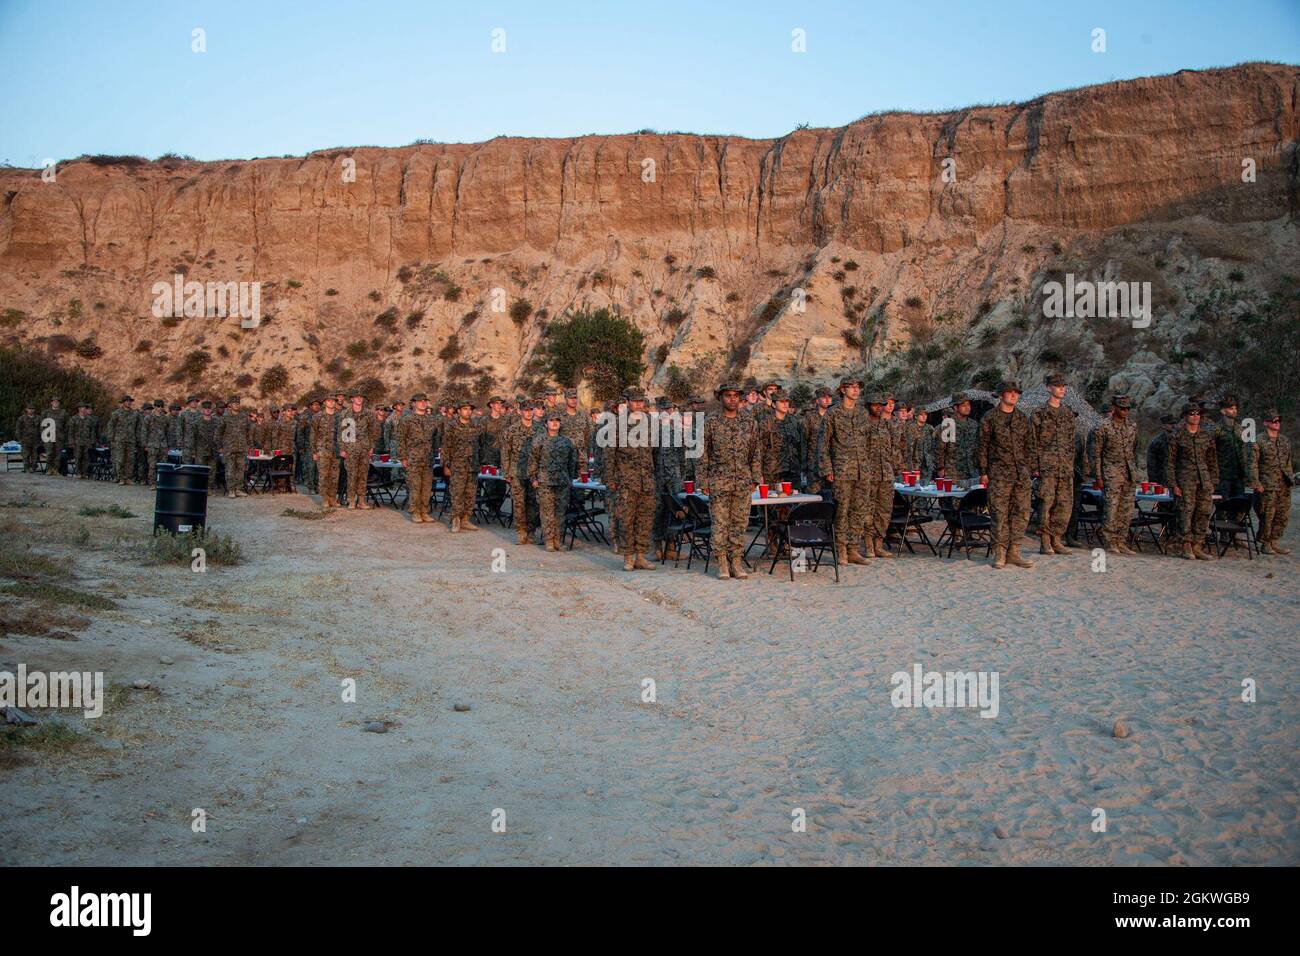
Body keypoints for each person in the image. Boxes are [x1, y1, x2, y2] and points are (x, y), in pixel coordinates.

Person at [700, 383, 761, 579]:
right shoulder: (711, 422)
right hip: (718, 480)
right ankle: (722, 563)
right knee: (720, 524)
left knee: (740, 523)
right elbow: (702, 454)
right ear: (721, 398)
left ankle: (736, 562)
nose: (732, 399)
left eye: (736, 396)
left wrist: (755, 477)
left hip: (742, 480)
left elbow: (755, 452)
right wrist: (703, 481)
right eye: (728, 395)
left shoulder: (749, 422)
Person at [977, 381, 1037, 569]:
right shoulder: (990, 417)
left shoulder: (1022, 418)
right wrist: (984, 471)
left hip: (1020, 474)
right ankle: (1000, 552)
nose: (1013, 396)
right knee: (999, 513)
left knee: (1021, 512)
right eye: (1009, 392)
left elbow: (1030, 445)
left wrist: (1029, 467)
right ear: (1001, 395)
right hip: (999, 473)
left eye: (1016, 393)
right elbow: (982, 446)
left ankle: (1014, 551)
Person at [818, 377, 871, 567]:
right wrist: (827, 469)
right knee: (842, 510)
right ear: (842, 390)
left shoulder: (862, 413)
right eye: (852, 387)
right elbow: (822, 445)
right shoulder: (833, 414)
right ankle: (840, 549)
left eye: (858, 387)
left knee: (859, 510)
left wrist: (868, 466)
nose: (856, 390)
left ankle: (853, 549)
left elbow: (869, 442)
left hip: (862, 470)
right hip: (841, 470)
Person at [606, 386, 659, 572]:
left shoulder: (651, 423)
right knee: (626, 520)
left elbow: (657, 453)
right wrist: (610, 479)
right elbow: (609, 454)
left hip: (647, 480)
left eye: (640, 401)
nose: (638, 404)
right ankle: (628, 557)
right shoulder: (616, 424)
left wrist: (656, 476)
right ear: (627, 402)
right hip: (626, 481)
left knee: (645, 519)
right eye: (634, 401)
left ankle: (641, 557)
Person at [1030, 373, 1077, 555]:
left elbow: (1072, 443)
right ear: (1048, 388)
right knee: (1046, 506)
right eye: (1058, 386)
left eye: (1063, 385)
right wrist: (1035, 468)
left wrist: (1071, 465)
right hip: (1046, 468)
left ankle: (1057, 539)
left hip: (1065, 468)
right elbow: (1032, 442)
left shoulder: (1067, 413)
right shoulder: (1039, 413)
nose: (1062, 388)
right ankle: (1045, 541)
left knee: (1064, 505)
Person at [1166, 402, 1218, 560]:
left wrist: (1214, 480)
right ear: (1185, 416)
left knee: (1203, 511)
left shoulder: (1206, 435)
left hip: (1204, 479)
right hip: (1185, 479)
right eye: (1191, 414)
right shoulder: (1177, 435)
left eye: (1197, 414)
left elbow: (1212, 458)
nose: (1195, 416)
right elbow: (1169, 462)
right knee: (1186, 511)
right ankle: (1186, 545)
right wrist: (1173, 484)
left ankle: (1198, 545)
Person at [1091, 395, 1140, 555]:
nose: (1125, 411)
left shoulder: (1132, 426)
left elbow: (1135, 450)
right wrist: (1098, 476)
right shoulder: (1103, 427)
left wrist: (1136, 470)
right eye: (1122, 408)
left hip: (1129, 472)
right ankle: (1110, 541)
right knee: (1111, 508)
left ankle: (1121, 540)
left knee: (1126, 510)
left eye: (1127, 408)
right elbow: (1096, 453)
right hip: (1111, 471)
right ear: (1114, 407)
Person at [529, 411, 578, 551]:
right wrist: (533, 478)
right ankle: (549, 541)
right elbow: (533, 461)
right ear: (546, 424)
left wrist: (570, 478)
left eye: (557, 420)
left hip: (562, 481)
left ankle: (558, 540)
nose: (555, 423)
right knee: (547, 512)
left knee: (560, 512)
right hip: (545, 481)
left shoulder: (567, 441)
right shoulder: (539, 440)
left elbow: (572, 462)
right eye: (551, 420)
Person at [1247, 409, 1293, 555]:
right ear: (1266, 423)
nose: (1277, 423)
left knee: (1282, 514)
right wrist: (1256, 483)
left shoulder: (1284, 441)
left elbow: (1288, 462)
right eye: (1274, 421)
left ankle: (1274, 541)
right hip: (1267, 484)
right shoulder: (1258, 441)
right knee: (1267, 514)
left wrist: (1290, 478)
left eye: (1278, 421)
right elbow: (1252, 464)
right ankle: (1265, 543)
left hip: (1283, 484)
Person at [863, 392, 900, 559]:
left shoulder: (887, 426)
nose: (879, 407)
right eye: (875, 404)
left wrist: (897, 469)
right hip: (869, 474)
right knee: (868, 510)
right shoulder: (863, 426)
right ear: (868, 405)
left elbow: (895, 449)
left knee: (884, 510)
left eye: (881, 404)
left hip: (886, 474)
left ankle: (879, 544)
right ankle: (869, 545)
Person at [395, 393, 437, 522]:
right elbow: (400, 439)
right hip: (413, 458)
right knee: (414, 486)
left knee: (426, 487)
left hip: (428, 458)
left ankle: (424, 511)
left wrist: (434, 454)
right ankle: (415, 512)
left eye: (425, 401)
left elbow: (435, 439)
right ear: (413, 403)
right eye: (419, 401)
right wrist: (403, 457)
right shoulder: (406, 420)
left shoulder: (431, 419)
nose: (423, 403)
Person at [504, 402, 542, 543]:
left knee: (533, 503)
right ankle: (521, 532)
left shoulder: (540, 429)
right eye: (525, 410)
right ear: (520, 412)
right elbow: (505, 452)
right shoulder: (511, 430)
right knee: (519, 504)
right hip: (516, 471)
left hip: (534, 473)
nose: (528, 413)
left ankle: (531, 532)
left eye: (531, 410)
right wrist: (506, 472)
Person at [442, 396, 482, 532]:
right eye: (465, 409)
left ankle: (465, 519)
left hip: (473, 465)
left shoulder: (476, 425)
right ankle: (456, 520)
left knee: (470, 494)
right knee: (457, 493)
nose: (468, 412)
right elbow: (446, 446)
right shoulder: (451, 426)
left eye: (470, 409)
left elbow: (480, 445)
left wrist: (480, 462)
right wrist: (446, 465)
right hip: (457, 465)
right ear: (458, 411)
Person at [339, 392, 381, 509]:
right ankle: (351, 500)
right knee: (352, 475)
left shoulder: (368, 413)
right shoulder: (345, 413)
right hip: (351, 449)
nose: (359, 399)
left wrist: (371, 447)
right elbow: (342, 432)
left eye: (361, 397)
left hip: (364, 449)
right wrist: (342, 448)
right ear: (352, 399)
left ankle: (362, 500)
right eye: (357, 397)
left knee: (363, 475)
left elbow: (373, 432)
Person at [937, 392, 980, 481]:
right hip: (953, 471)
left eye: (968, 404)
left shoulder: (974, 424)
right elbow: (940, 448)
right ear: (956, 408)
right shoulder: (948, 424)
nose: (967, 407)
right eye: (963, 405)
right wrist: (940, 468)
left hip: (972, 470)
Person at [217, 396, 252, 498]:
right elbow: (218, 432)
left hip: (241, 447)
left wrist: (249, 445)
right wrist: (220, 446)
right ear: (230, 405)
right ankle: (231, 490)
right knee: (230, 469)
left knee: (240, 469)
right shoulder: (225, 417)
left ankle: (238, 489)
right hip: (229, 448)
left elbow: (248, 432)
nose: (236, 405)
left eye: (238, 403)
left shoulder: (244, 417)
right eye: (234, 403)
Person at [310, 396, 342, 508]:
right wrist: (314, 451)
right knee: (323, 476)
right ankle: (325, 499)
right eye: (329, 400)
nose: (332, 402)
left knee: (334, 476)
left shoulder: (340, 416)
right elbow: (313, 435)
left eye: (334, 401)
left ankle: (333, 498)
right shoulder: (317, 416)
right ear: (324, 402)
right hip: (322, 450)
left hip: (336, 450)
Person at [1213, 396, 1247, 499]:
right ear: (1223, 411)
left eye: (1235, 408)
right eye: (1231, 408)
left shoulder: (1239, 428)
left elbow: (1245, 450)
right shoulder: (1216, 429)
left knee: (1238, 506)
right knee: (1222, 507)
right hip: (1223, 476)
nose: (1234, 411)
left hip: (1238, 475)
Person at [801, 385, 833, 493]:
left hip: (832, 464)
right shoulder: (809, 417)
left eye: (829, 397)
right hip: (813, 464)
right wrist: (804, 465)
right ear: (817, 400)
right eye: (824, 397)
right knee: (813, 495)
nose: (827, 400)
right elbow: (804, 442)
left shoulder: (835, 416)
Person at [187, 401, 222, 490]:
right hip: (200, 451)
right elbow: (192, 437)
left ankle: (209, 488)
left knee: (212, 471)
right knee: (200, 470)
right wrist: (192, 451)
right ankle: (199, 488)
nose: (207, 410)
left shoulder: (216, 421)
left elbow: (220, 435)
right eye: (205, 409)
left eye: (209, 409)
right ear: (202, 410)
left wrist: (220, 447)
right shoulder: (196, 422)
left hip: (213, 450)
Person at [106, 395, 139, 485]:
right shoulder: (117, 413)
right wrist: (111, 437)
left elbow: (138, 427)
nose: (129, 402)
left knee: (130, 460)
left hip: (131, 440)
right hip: (119, 439)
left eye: (130, 401)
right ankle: (120, 477)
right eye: (127, 401)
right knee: (120, 459)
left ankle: (128, 478)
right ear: (123, 402)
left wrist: (137, 438)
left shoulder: (135, 414)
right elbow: (111, 425)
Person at [68, 402, 99, 479]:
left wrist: (92, 441)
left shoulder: (89, 419)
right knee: (78, 457)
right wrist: (71, 442)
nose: (84, 409)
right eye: (83, 407)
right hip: (77, 441)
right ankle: (78, 472)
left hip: (87, 441)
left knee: (86, 457)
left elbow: (92, 431)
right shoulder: (74, 418)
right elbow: (71, 431)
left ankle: (84, 473)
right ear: (79, 408)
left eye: (85, 407)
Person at [143, 402, 170, 486]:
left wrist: (168, 444)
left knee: (163, 465)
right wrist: (145, 444)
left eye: (162, 406)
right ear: (155, 407)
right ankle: (152, 483)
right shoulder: (148, 418)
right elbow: (144, 431)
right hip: (152, 445)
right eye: (158, 406)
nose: (160, 408)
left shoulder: (165, 418)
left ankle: (161, 482)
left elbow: (168, 432)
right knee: (152, 465)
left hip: (163, 445)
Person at [1145, 416, 1176, 487]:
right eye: (1170, 424)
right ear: (1163, 426)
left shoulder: (1179, 439)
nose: (1173, 426)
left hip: (1176, 478)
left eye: (1174, 423)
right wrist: (1153, 480)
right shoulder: (1157, 442)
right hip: (1161, 477)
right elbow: (1151, 463)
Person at [40, 397, 68, 476]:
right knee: (49, 454)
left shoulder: (63, 412)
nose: (56, 403)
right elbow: (42, 425)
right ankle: (49, 469)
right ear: (51, 403)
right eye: (54, 401)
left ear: (59, 403)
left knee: (58, 454)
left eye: (57, 401)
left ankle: (56, 469)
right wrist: (43, 436)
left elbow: (66, 425)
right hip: (48, 436)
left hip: (59, 437)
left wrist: (64, 435)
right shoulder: (46, 412)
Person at [15, 403, 40, 472]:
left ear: (34, 410)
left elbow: (42, 429)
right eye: (29, 409)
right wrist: (20, 439)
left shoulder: (38, 418)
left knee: (35, 455)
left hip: (36, 440)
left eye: (32, 409)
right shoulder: (22, 418)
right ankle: (27, 468)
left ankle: (33, 467)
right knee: (26, 455)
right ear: (26, 409)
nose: (31, 410)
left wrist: (41, 439)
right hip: (25, 440)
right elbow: (18, 429)